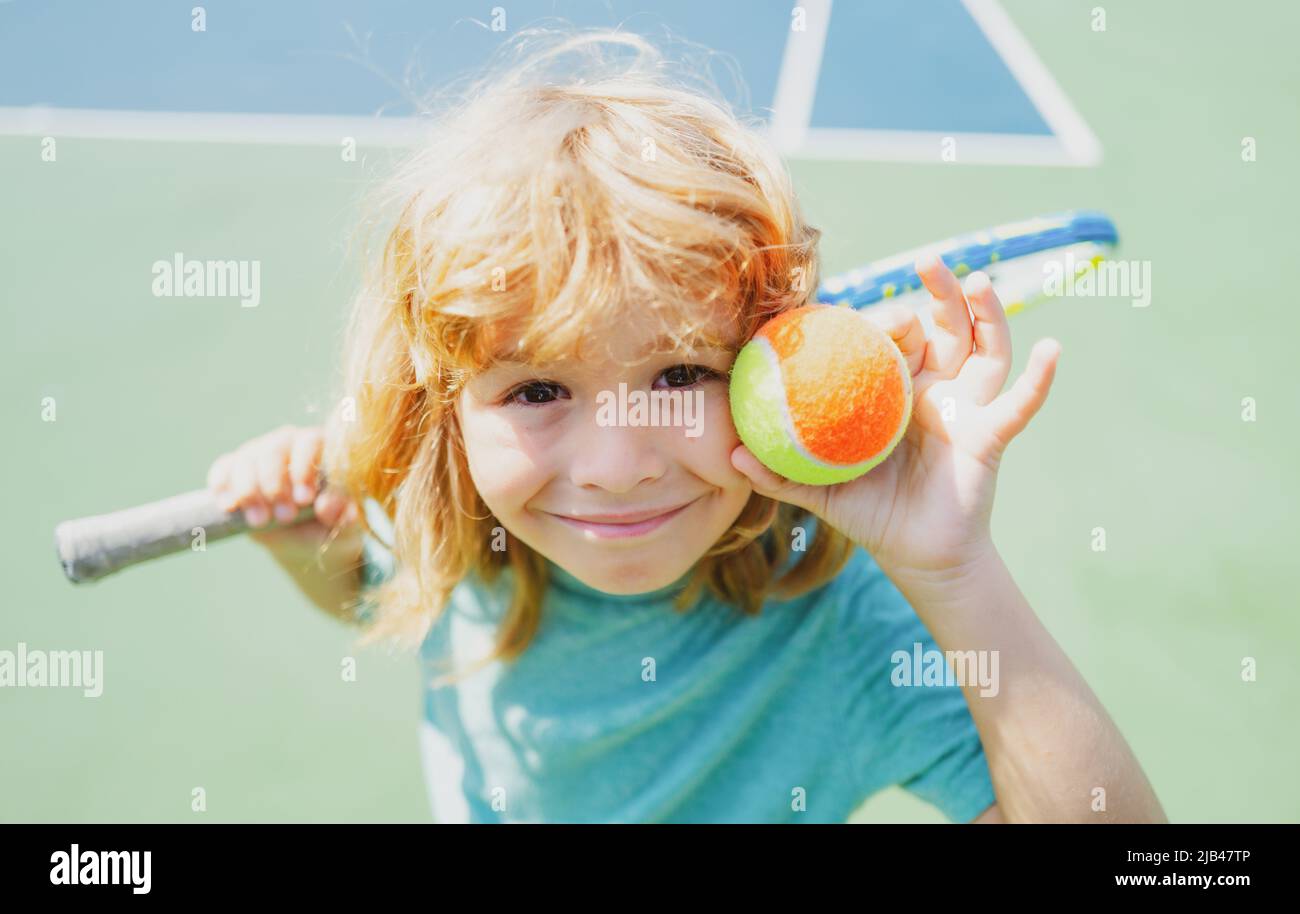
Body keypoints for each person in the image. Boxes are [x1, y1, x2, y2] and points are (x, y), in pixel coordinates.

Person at [205, 28, 1165, 824]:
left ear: (764, 367)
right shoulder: (462, 528)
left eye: (678, 374)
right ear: (441, 417)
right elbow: (376, 591)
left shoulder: (835, 631)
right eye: (536, 391)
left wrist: (953, 571)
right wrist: (309, 547)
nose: (617, 467)